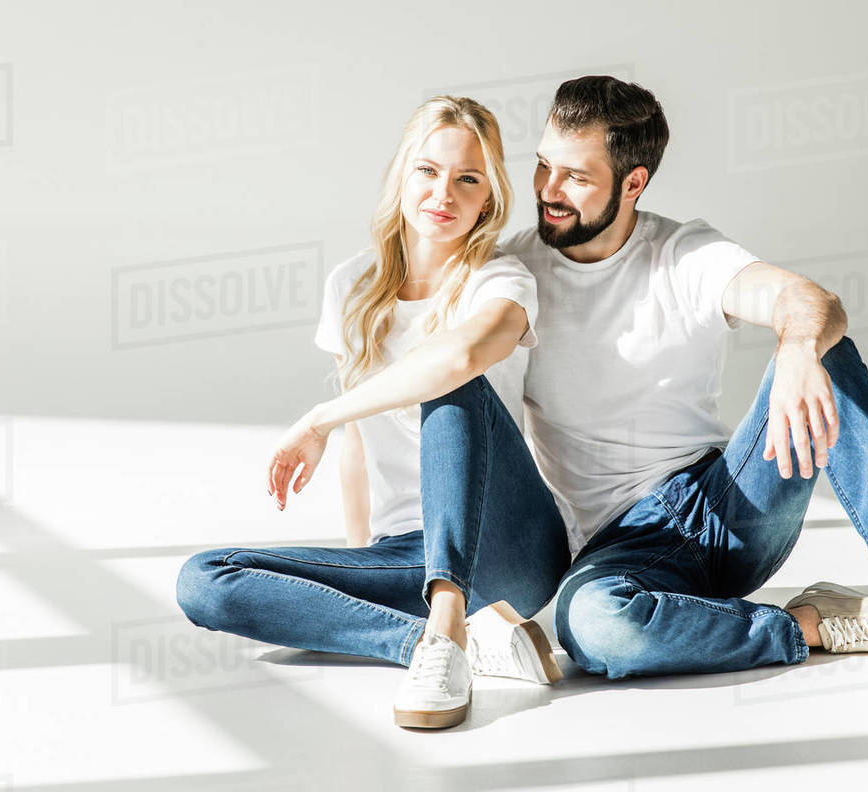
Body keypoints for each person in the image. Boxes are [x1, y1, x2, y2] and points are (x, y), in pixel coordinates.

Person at [499, 75, 868, 731]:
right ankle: (817, 624)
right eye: (543, 165)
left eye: (575, 176)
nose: (548, 190)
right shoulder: (517, 267)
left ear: (633, 183)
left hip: (726, 506)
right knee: (592, 627)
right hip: (616, 549)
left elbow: (808, 301)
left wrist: (797, 350)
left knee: (822, 344)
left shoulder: (683, 254)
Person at [175, 96, 571, 730]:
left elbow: (462, 355)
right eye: (428, 171)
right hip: (405, 555)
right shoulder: (351, 287)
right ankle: (435, 643)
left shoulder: (500, 280)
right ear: (402, 176)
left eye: (468, 178)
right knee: (204, 580)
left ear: (488, 200)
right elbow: (359, 451)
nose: (444, 192)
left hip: (509, 546)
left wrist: (319, 418)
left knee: (451, 377)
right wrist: (356, 559)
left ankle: (447, 624)